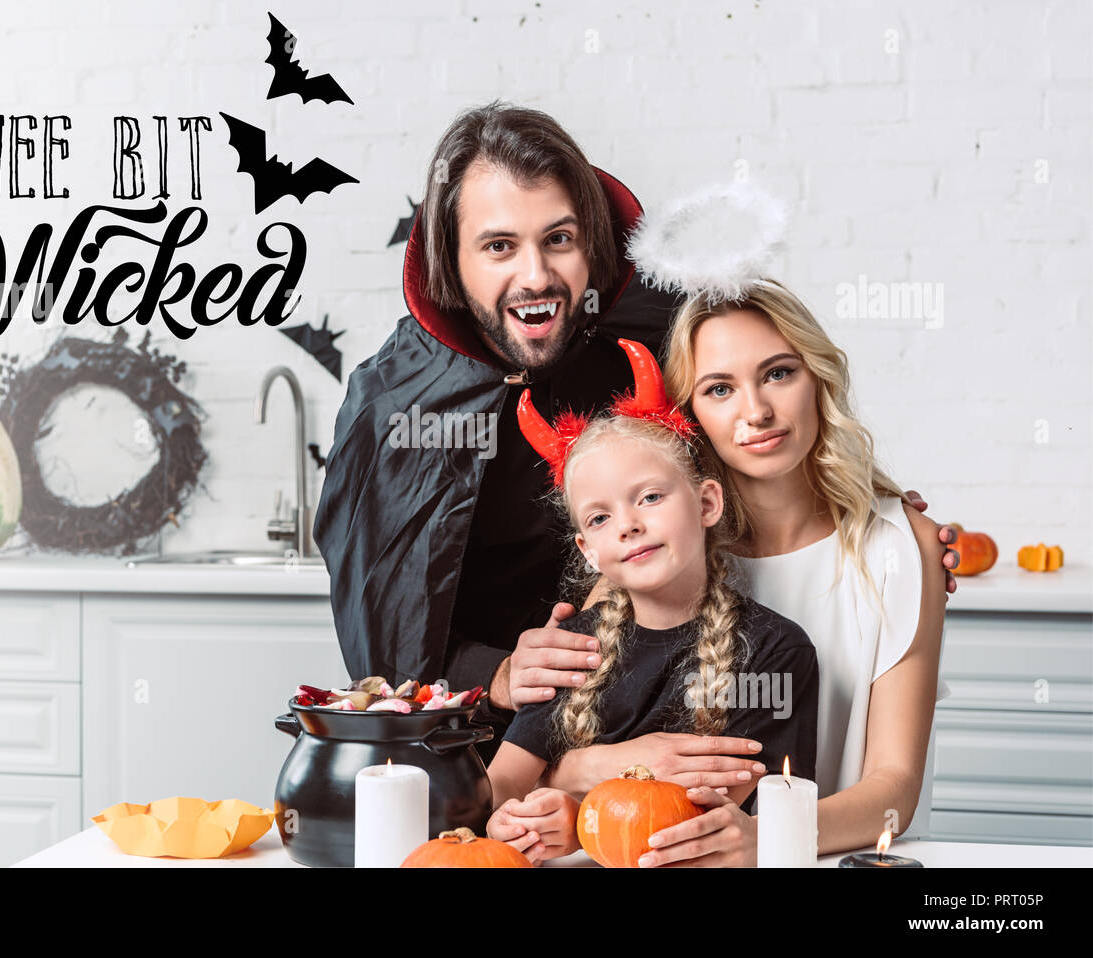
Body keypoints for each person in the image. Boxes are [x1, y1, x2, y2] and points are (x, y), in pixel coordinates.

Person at [313, 101, 959, 779]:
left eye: (559, 239)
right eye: (499, 246)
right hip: (482, 751)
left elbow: (757, 422)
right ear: (453, 256)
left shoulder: (646, 330)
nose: (535, 276)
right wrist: (498, 673)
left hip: (663, 722)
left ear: (592, 241)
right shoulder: (395, 406)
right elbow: (384, 633)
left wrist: (886, 524)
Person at [530, 274, 951, 866]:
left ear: (817, 378)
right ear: (691, 414)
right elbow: (566, 747)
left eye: (779, 373)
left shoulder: (903, 547)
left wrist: (771, 838)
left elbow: (895, 790)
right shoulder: (657, 554)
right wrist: (583, 766)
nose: (756, 411)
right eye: (720, 388)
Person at [482, 339, 818, 864]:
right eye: (599, 518)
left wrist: (580, 816)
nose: (629, 525)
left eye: (650, 497)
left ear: (707, 502)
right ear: (588, 551)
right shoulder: (571, 650)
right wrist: (510, 819)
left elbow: (714, 815)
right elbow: (502, 782)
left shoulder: (774, 650)